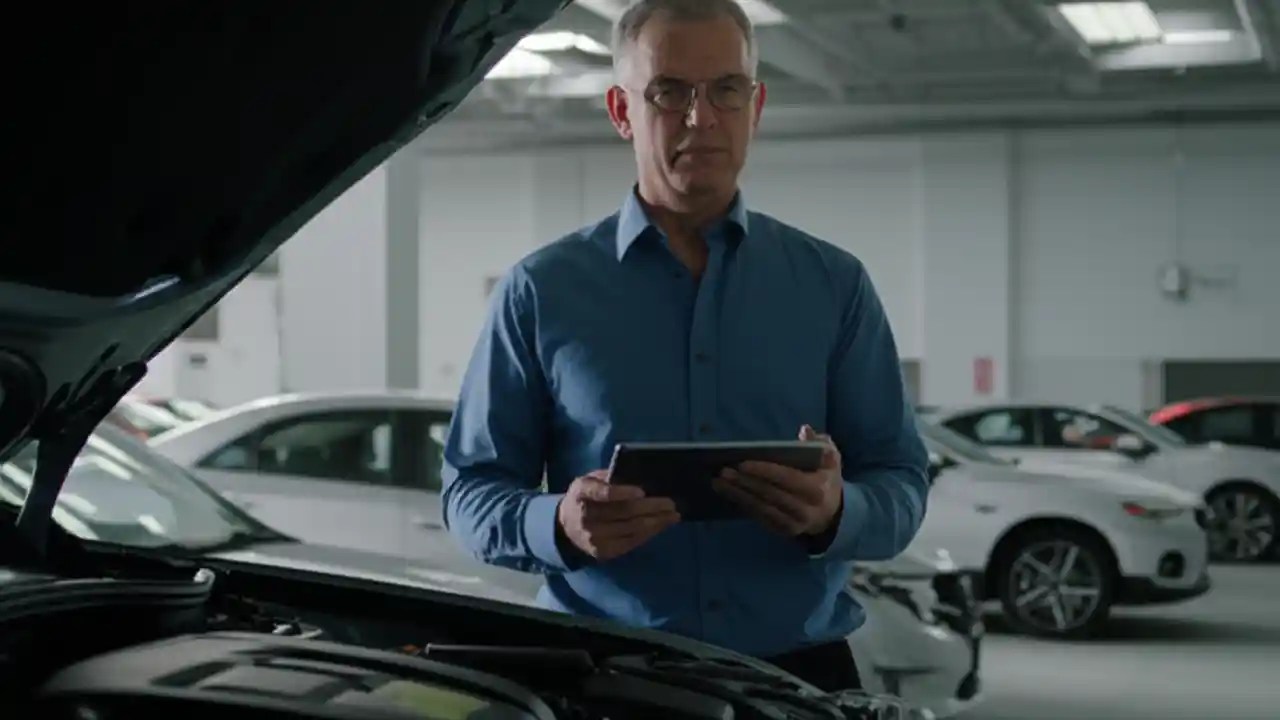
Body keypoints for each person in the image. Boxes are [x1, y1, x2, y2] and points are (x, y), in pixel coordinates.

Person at [441, 0, 929, 693]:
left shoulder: (834, 286)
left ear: (755, 107)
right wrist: (559, 523)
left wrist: (836, 512)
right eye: (668, 91)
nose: (701, 118)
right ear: (620, 110)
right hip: (603, 673)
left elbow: (902, 482)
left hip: (795, 677)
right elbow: (469, 492)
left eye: (726, 90)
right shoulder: (541, 291)